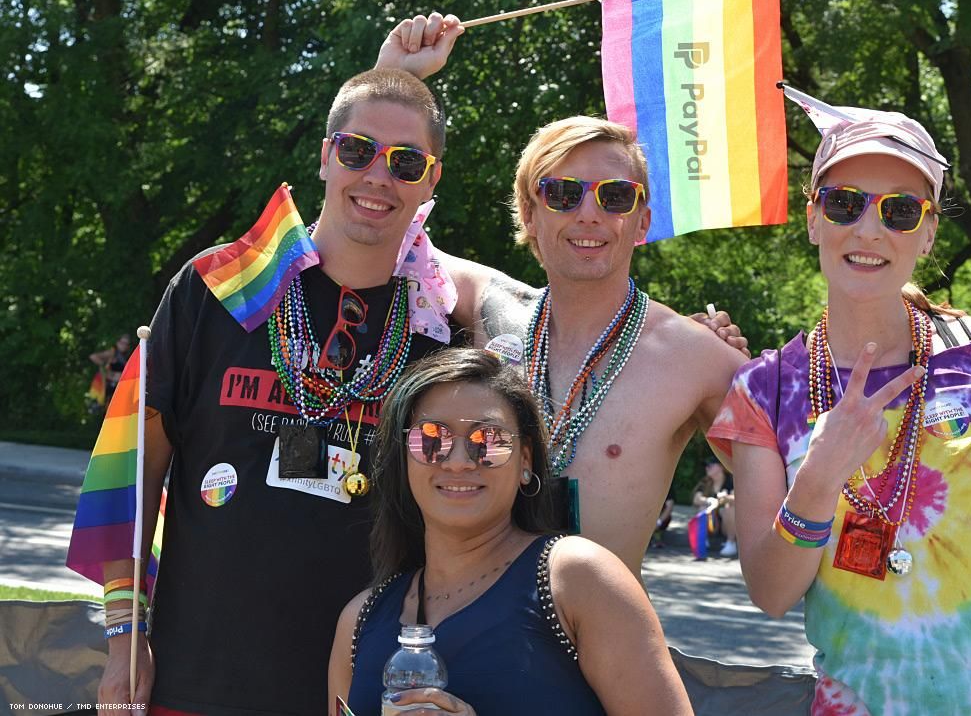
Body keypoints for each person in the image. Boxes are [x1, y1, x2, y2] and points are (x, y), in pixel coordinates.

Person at [708, 108, 971, 714]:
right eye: (845, 203)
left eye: (900, 211)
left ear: (926, 235)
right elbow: (770, 592)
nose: (869, 229)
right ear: (814, 218)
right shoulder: (766, 389)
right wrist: (819, 477)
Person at [83, 67, 453, 715]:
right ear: (324, 156)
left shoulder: (439, 333)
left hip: (355, 694)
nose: (376, 177)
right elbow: (130, 477)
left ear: (431, 179)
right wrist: (123, 641)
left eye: (405, 161)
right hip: (192, 683)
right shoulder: (216, 287)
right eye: (357, 150)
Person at [376, 17, 751, 580]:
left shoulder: (696, 357)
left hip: (596, 655)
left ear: (643, 219)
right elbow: (374, 228)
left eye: (615, 195)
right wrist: (391, 79)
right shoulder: (489, 306)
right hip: (465, 641)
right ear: (530, 211)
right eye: (562, 193)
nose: (589, 213)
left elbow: (794, 486)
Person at [328, 348, 692, 715]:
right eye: (431, 438)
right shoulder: (360, 620)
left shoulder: (578, 579)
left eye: (488, 441)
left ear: (526, 461)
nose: (458, 461)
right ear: (404, 458)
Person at [691, 458, 737, 557]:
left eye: (710, 465)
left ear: (720, 466)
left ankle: (731, 543)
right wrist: (709, 501)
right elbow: (696, 499)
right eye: (706, 466)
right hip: (712, 524)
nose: (707, 468)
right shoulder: (705, 482)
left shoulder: (731, 480)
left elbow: (737, 499)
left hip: (727, 523)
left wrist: (725, 498)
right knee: (703, 507)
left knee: (729, 508)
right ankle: (703, 539)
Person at [88, 333, 132, 402]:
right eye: (122, 343)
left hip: (120, 388)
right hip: (109, 387)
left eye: (126, 344)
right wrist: (105, 367)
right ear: (117, 343)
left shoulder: (128, 356)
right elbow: (93, 356)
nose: (124, 346)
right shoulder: (112, 353)